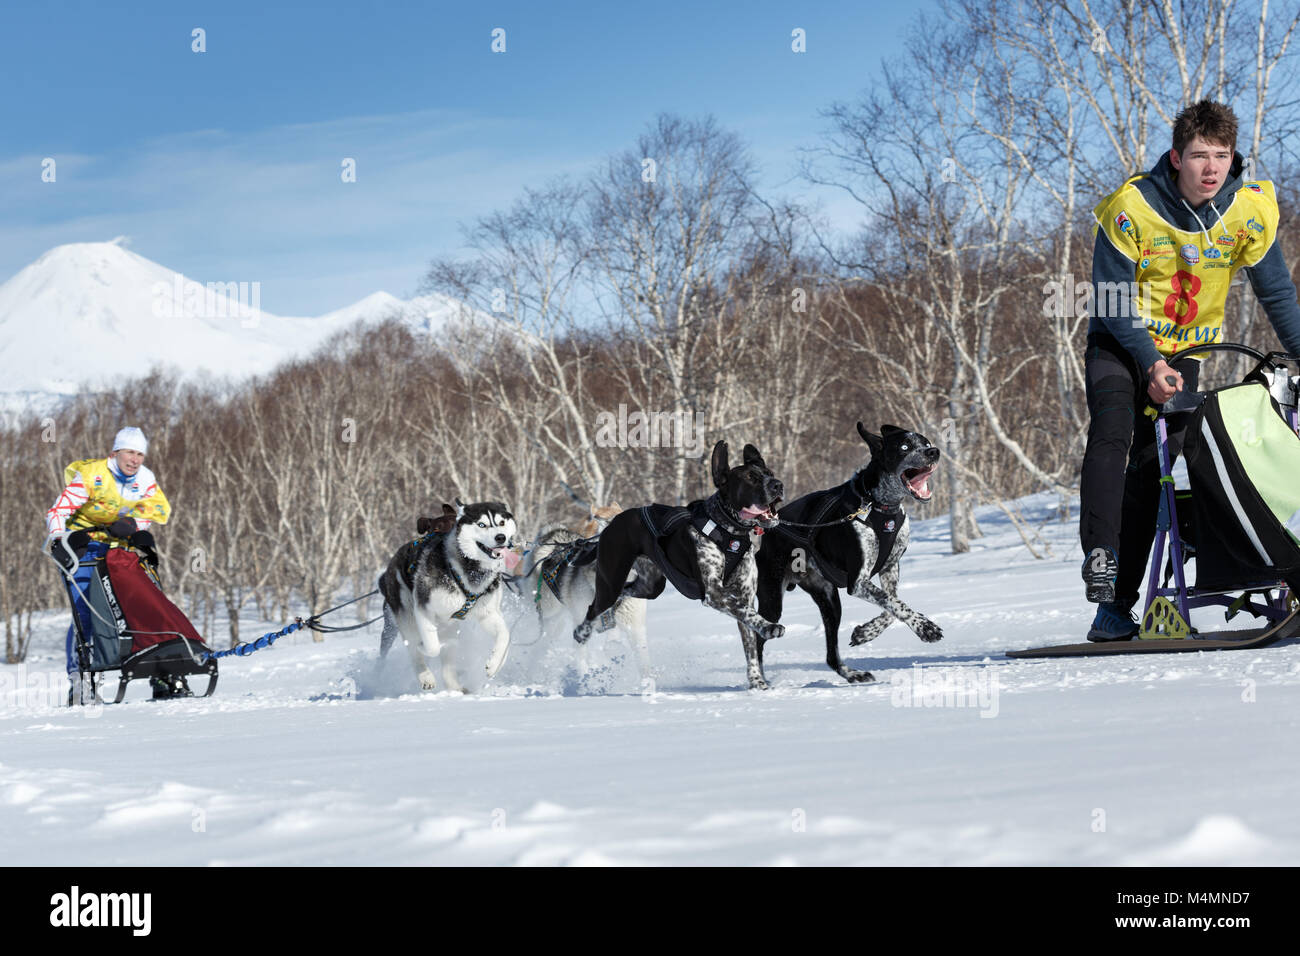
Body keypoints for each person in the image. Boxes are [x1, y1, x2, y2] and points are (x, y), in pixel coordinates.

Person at [1081, 100, 1300, 641]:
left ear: (1232, 158)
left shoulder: (1248, 211)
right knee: (1112, 437)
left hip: (1185, 361)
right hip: (1119, 345)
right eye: (1199, 155)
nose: (1210, 168)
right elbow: (1109, 300)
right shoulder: (1133, 206)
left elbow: (1276, 293)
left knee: (1150, 475)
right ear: (1176, 157)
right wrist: (1148, 360)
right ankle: (1101, 559)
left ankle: (1115, 609)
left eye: (1221, 156)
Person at [44, 426, 172, 691]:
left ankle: (160, 672)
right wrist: (60, 539)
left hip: (118, 549)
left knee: (141, 606)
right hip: (82, 548)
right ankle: (81, 680)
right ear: (114, 452)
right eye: (129, 452)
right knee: (86, 613)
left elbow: (153, 510)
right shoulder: (92, 475)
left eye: (140, 454)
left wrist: (135, 526)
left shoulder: (145, 479)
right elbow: (57, 511)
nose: (134, 459)